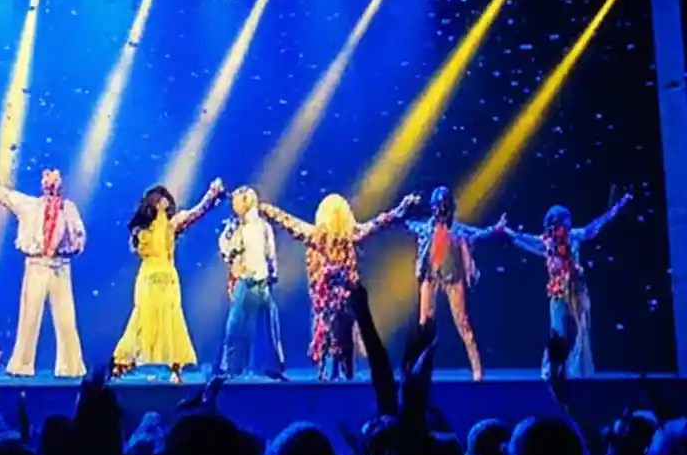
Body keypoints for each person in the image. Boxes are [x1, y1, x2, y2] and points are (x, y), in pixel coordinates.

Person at [259, 192, 419, 380]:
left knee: (327, 336)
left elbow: (288, 221)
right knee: (343, 338)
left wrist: (267, 209)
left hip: (327, 301)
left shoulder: (316, 236)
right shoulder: (348, 235)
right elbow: (379, 223)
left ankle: (329, 376)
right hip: (344, 299)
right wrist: (402, 208)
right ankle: (343, 375)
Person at [0, 152, 86, 378]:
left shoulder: (68, 207)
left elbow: (79, 233)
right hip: (36, 264)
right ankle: (22, 364)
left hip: (59, 265)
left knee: (65, 318)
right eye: (47, 181)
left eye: (54, 181)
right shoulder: (30, 205)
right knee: (29, 316)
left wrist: (74, 242)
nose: (51, 185)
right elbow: (2, 193)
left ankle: (70, 366)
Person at [497, 192, 633, 378]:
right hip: (558, 290)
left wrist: (616, 208)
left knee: (582, 329)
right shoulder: (547, 243)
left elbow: (596, 226)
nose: (556, 230)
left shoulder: (573, 237)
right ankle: (552, 369)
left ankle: (578, 371)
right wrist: (506, 231)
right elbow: (524, 239)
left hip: (576, 289)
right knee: (557, 331)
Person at [112, 179, 226, 384]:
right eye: (158, 200)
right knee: (144, 317)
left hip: (168, 278)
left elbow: (196, 213)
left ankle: (174, 365)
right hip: (148, 277)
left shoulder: (173, 225)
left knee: (171, 318)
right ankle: (128, 362)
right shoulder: (140, 230)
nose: (162, 203)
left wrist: (211, 195)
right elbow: (136, 249)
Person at [401, 186, 502, 381]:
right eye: (438, 207)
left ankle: (477, 369)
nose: (440, 210)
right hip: (430, 278)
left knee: (463, 323)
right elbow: (405, 223)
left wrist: (496, 229)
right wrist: (404, 207)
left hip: (452, 279)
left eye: (444, 206)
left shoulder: (458, 230)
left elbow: (479, 234)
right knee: (424, 326)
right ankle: (418, 369)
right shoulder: (425, 228)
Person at [218, 186, 285, 380]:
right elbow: (225, 248)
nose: (233, 206)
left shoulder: (262, 227)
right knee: (235, 327)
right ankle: (232, 368)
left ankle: (272, 367)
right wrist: (230, 254)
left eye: (236, 202)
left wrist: (272, 275)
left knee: (267, 327)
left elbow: (270, 254)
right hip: (244, 282)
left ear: (246, 202)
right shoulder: (236, 227)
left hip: (260, 282)